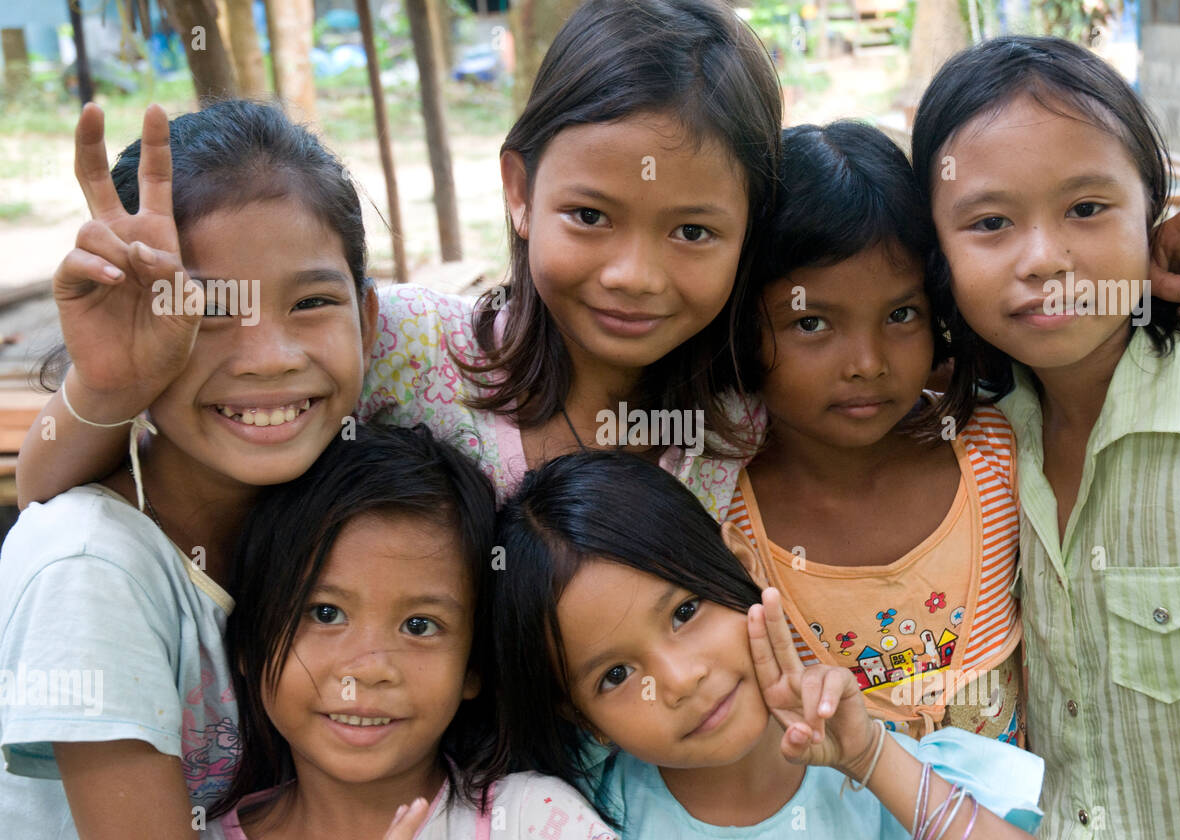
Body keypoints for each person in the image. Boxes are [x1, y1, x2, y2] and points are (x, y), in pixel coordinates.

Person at [17, 0, 783, 520]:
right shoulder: (402, 348)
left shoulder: (738, 429)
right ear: (519, 190)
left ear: (752, 226)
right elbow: (42, 488)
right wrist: (108, 386)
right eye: (589, 217)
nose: (633, 274)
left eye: (692, 233)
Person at [914, 34, 1180, 840]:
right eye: (989, 223)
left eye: (1088, 210)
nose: (1045, 259)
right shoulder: (969, 433)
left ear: (1152, 221)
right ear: (935, 259)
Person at [0, 99, 377, 840]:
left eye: (311, 302)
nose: (269, 355)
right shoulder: (91, 568)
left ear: (370, 321)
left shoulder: (357, 498)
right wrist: (109, 389)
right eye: (205, 309)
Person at [487, 452, 1056, 840]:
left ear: (744, 564)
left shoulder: (892, 774)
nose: (680, 680)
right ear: (581, 717)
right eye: (615, 675)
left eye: (685, 612)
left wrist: (871, 761)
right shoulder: (579, 832)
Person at [731, 121, 1024, 745]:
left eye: (901, 314)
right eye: (811, 323)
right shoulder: (728, 523)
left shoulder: (994, 453)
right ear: (739, 327)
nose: (867, 361)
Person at [203, 425, 618, 840]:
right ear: (251, 640)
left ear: (473, 665)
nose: (368, 668)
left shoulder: (537, 831)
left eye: (419, 625)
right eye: (325, 613)